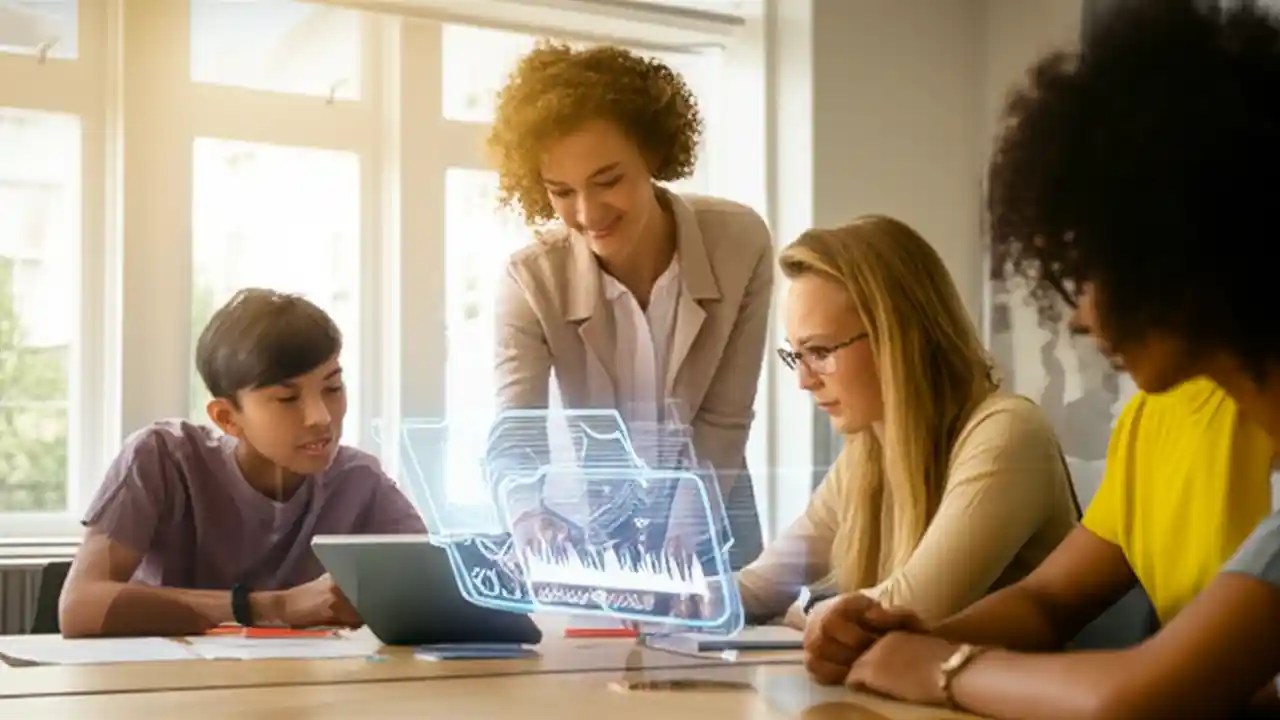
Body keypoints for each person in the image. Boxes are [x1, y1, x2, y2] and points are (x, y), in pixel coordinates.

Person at [833, 2, 1280, 716]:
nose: (1077, 313)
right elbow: (1050, 600)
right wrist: (910, 641)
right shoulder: (1153, 420)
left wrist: (942, 668)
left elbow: (1134, 695)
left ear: (1179, 246)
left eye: (1088, 269)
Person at [486, 42, 773, 569]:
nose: (587, 212)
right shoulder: (530, 279)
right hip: (579, 537)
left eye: (608, 181)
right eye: (561, 191)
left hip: (712, 527)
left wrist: (679, 550)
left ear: (653, 153)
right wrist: (529, 520)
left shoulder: (739, 243)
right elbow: (514, 437)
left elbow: (724, 418)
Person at [737, 216, 1079, 635]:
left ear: (897, 337)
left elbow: (908, 609)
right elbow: (760, 585)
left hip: (1003, 680)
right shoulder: (867, 452)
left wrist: (803, 611)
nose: (804, 381)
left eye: (820, 351)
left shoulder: (1008, 432)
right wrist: (669, 600)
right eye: (796, 355)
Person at [59, 289, 426, 638]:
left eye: (333, 389)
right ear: (227, 418)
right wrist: (274, 607)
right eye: (287, 399)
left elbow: (441, 590)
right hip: (167, 677)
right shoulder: (163, 458)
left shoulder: (359, 480)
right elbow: (80, 607)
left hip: (300, 678)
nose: (321, 417)